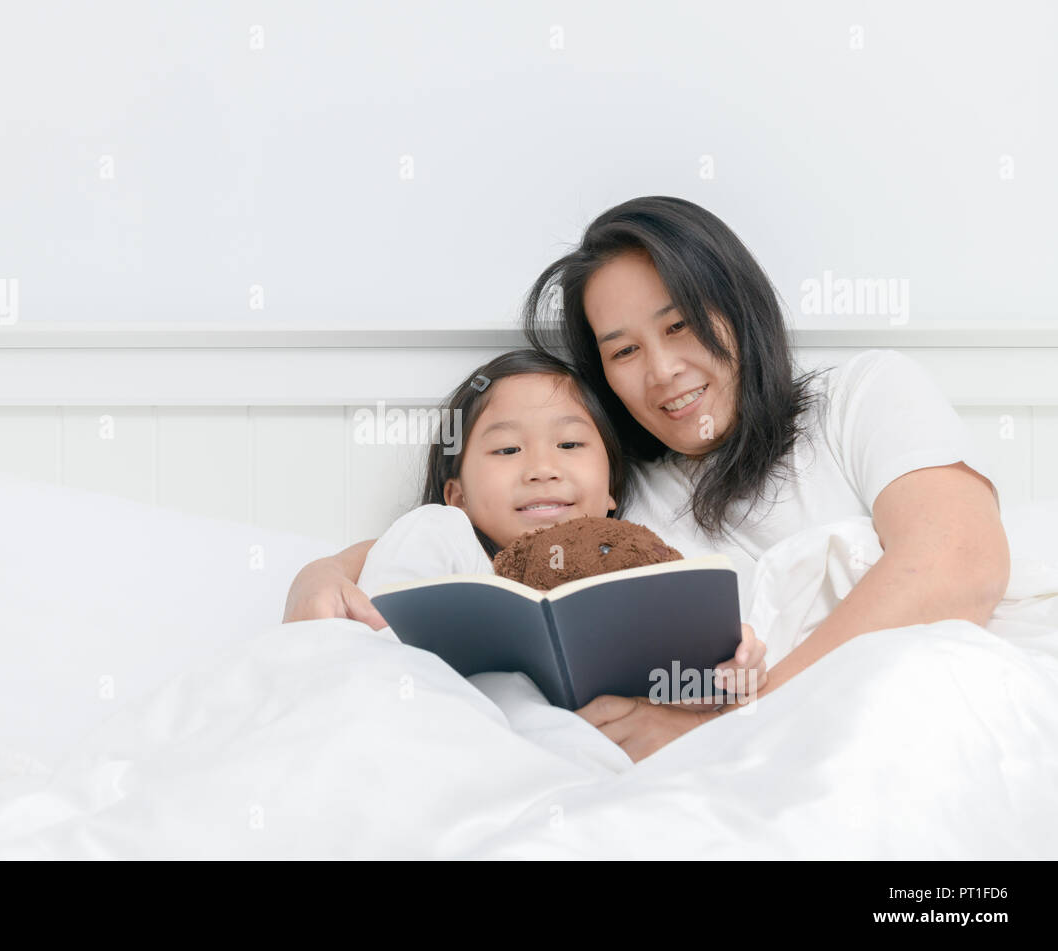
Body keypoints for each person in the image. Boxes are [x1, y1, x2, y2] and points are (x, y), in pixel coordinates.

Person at [285, 196, 1010, 761]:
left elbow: (959, 561)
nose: (663, 373)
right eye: (624, 349)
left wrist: (734, 721)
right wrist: (324, 569)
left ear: (738, 305)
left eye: (679, 325)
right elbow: (475, 543)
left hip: (890, 721)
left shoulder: (862, 396)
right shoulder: (615, 497)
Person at [354, 348, 764, 713]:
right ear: (458, 496)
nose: (542, 470)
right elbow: (375, 647)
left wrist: (729, 670)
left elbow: (690, 687)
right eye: (507, 450)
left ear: (610, 492)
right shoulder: (440, 533)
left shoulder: (635, 572)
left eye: (569, 445)